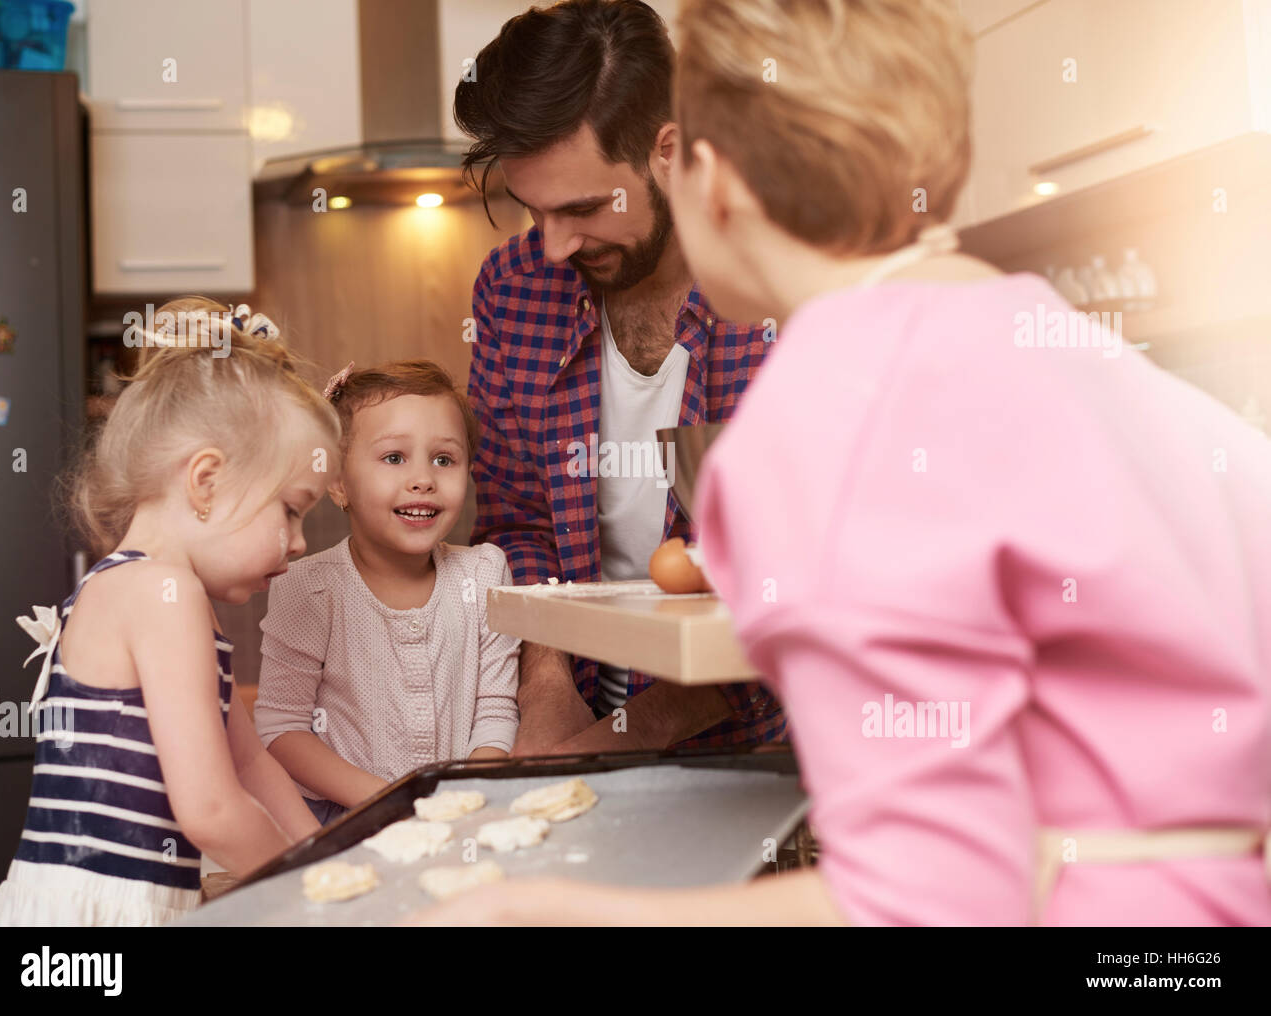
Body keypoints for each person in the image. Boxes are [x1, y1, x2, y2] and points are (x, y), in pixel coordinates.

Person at [410, 0, 1271, 925]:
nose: (556, 241)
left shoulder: (821, 419)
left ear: (701, 170)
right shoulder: (1103, 366)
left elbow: (933, 897)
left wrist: (545, 914)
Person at [453, 0, 783, 755]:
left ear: (668, 152)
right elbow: (517, 524)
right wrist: (545, 689)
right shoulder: (512, 289)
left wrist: (620, 743)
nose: (554, 247)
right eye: (534, 211)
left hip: (760, 744)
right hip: (592, 706)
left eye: (584, 208)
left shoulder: (771, 289)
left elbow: (798, 580)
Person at [0, 298, 331, 926]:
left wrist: (328, 857)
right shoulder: (161, 595)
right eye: (292, 510)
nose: (299, 542)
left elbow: (247, 763)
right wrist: (318, 899)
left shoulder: (160, 592)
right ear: (206, 482)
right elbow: (211, 810)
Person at [254, 361, 520, 826]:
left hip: (457, 815)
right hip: (341, 822)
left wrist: (464, 798)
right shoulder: (307, 588)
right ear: (337, 482)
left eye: (444, 459)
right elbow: (283, 728)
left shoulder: (484, 573)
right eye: (394, 458)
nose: (423, 479)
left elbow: (495, 708)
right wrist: (392, 801)